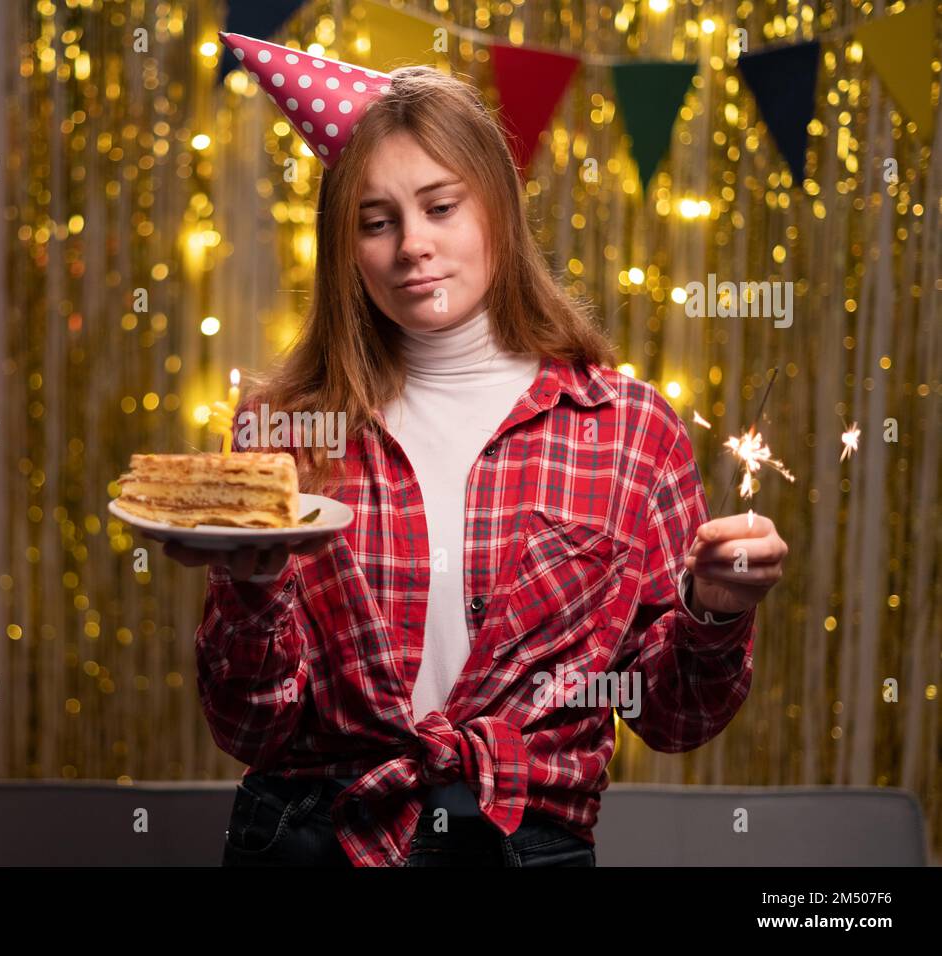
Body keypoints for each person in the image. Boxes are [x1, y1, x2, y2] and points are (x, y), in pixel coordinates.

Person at [149, 34, 788, 868]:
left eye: (441, 207)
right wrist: (251, 586)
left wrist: (715, 609)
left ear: (496, 207)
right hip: (311, 836)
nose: (411, 244)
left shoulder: (630, 430)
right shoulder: (283, 428)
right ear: (348, 247)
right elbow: (247, 725)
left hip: (521, 847)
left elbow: (672, 722)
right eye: (377, 222)